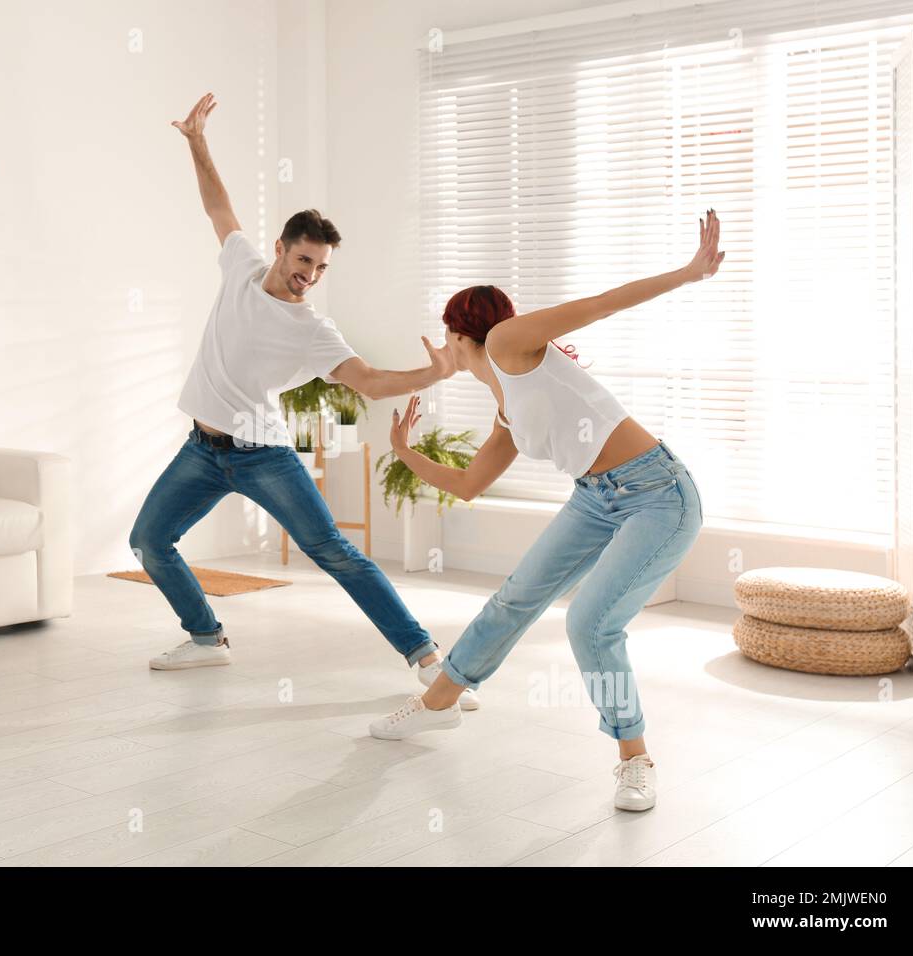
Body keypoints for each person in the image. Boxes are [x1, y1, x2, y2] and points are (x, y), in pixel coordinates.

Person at [367, 210, 725, 811]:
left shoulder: (510, 344)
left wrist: (687, 274)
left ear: (460, 335)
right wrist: (403, 452)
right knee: (514, 600)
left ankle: (635, 760)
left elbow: (603, 301)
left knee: (591, 623)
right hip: (595, 498)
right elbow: (469, 483)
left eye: (445, 336)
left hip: (658, 494)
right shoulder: (505, 405)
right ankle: (437, 706)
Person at [130, 93, 479, 709]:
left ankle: (427, 659)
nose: (310, 275)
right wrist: (196, 141)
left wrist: (434, 373)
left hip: (262, 455)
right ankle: (207, 637)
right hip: (202, 448)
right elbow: (218, 205)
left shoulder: (312, 329)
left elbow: (367, 381)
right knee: (149, 541)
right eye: (303, 260)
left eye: (320, 268)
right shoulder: (240, 265)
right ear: (280, 248)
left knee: (335, 554)